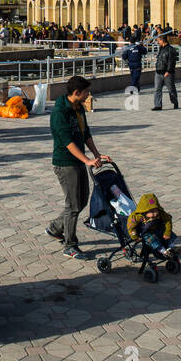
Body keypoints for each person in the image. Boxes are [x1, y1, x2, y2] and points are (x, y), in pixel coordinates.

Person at [45, 76, 108, 259]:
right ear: (76, 93)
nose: (88, 95)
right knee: (73, 206)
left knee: (81, 201)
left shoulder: (79, 108)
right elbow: (67, 142)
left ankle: (55, 228)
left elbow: (85, 133)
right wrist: (87, 160)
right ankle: (69, 245)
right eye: (86, 92)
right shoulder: (60, 113)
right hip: (65, 164)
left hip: (78, 161)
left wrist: (96, 154)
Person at [152, 35, 179, 110]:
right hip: (158, 72)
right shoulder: (161, 49)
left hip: (167, 73)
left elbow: (172, 62)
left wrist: (169, 71)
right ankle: (158, 105)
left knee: (171, 89)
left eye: (158, 40)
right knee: (157, 89)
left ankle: (175, 102)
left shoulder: (171, 50)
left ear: (162, 40)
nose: (158, 42)